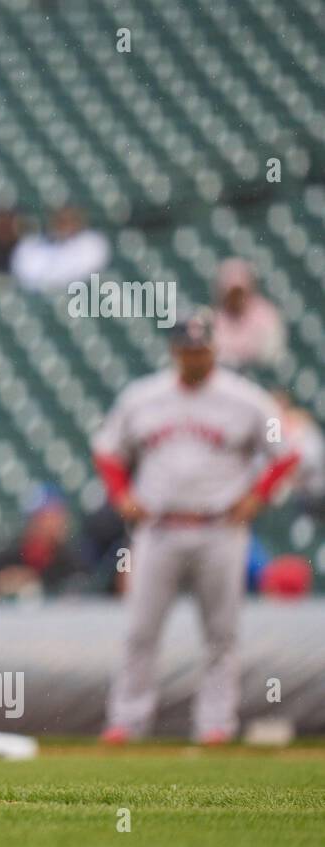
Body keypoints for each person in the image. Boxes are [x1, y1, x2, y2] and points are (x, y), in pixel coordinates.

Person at [92, 310, 300, 745]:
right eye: (187, 349)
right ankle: (126, 722)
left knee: (221, 633)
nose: (194, 356)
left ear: (214, 349)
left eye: (201, 348)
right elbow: (107, 449)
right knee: (140, 629)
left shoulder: (245, 398)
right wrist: (121, 495)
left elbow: (286, 453)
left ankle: (215, 724)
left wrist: (258, 495)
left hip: (219, 526)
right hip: (158, 527)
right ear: (174, 351)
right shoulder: (142, 396)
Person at [10, 206, 110, 293]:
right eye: (59, 219)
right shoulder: (30, 245)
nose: (64, 225)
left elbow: (86, 276)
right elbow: (25, 278)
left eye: (69, 219)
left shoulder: (92, 243)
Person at [211, 258, 285, 368]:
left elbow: (271, 355)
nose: (236, 298)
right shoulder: (212, 318)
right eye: (231, 293)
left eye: (239, 292)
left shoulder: (267, 315)